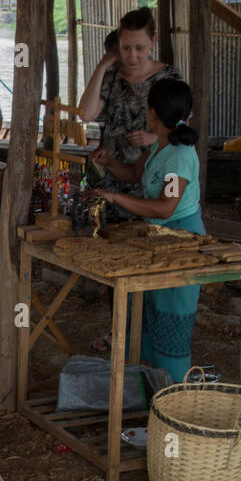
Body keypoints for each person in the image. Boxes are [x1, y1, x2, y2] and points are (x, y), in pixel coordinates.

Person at [89, 78, 204, 381]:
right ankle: (146, 386)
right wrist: (110, 163)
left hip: (182, 242)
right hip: (159, 239)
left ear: (151, 112)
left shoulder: (179, 155)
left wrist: (116, 198)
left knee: (170, 318)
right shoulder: (159, 147)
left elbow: (166, 207)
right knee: (146, 311)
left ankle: (173, 395)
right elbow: (135, 174)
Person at [79, 8, 180, 208]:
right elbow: (85, 114)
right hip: (107, 179)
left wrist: (156, 138)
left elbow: (184, 127)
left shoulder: (168, 78)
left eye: (139, 48)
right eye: (126, 48)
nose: (132, 56)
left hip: (149, 182)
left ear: (153, 41)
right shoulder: (111, 77)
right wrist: (101, 67)